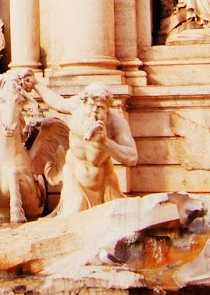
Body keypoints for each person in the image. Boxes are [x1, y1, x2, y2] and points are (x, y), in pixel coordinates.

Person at [35, 79, 139, 216]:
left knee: (114, 222)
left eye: (100, 107)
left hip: (104, 182)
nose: (94, 111)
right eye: (91, 105)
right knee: (73, 216)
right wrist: (35, 84)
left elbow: (132, 158)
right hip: (74, 176)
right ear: (84, 102)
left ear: (108, 108)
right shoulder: (77, 107)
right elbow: (56, 102)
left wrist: (104, 141)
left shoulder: (116, 124)